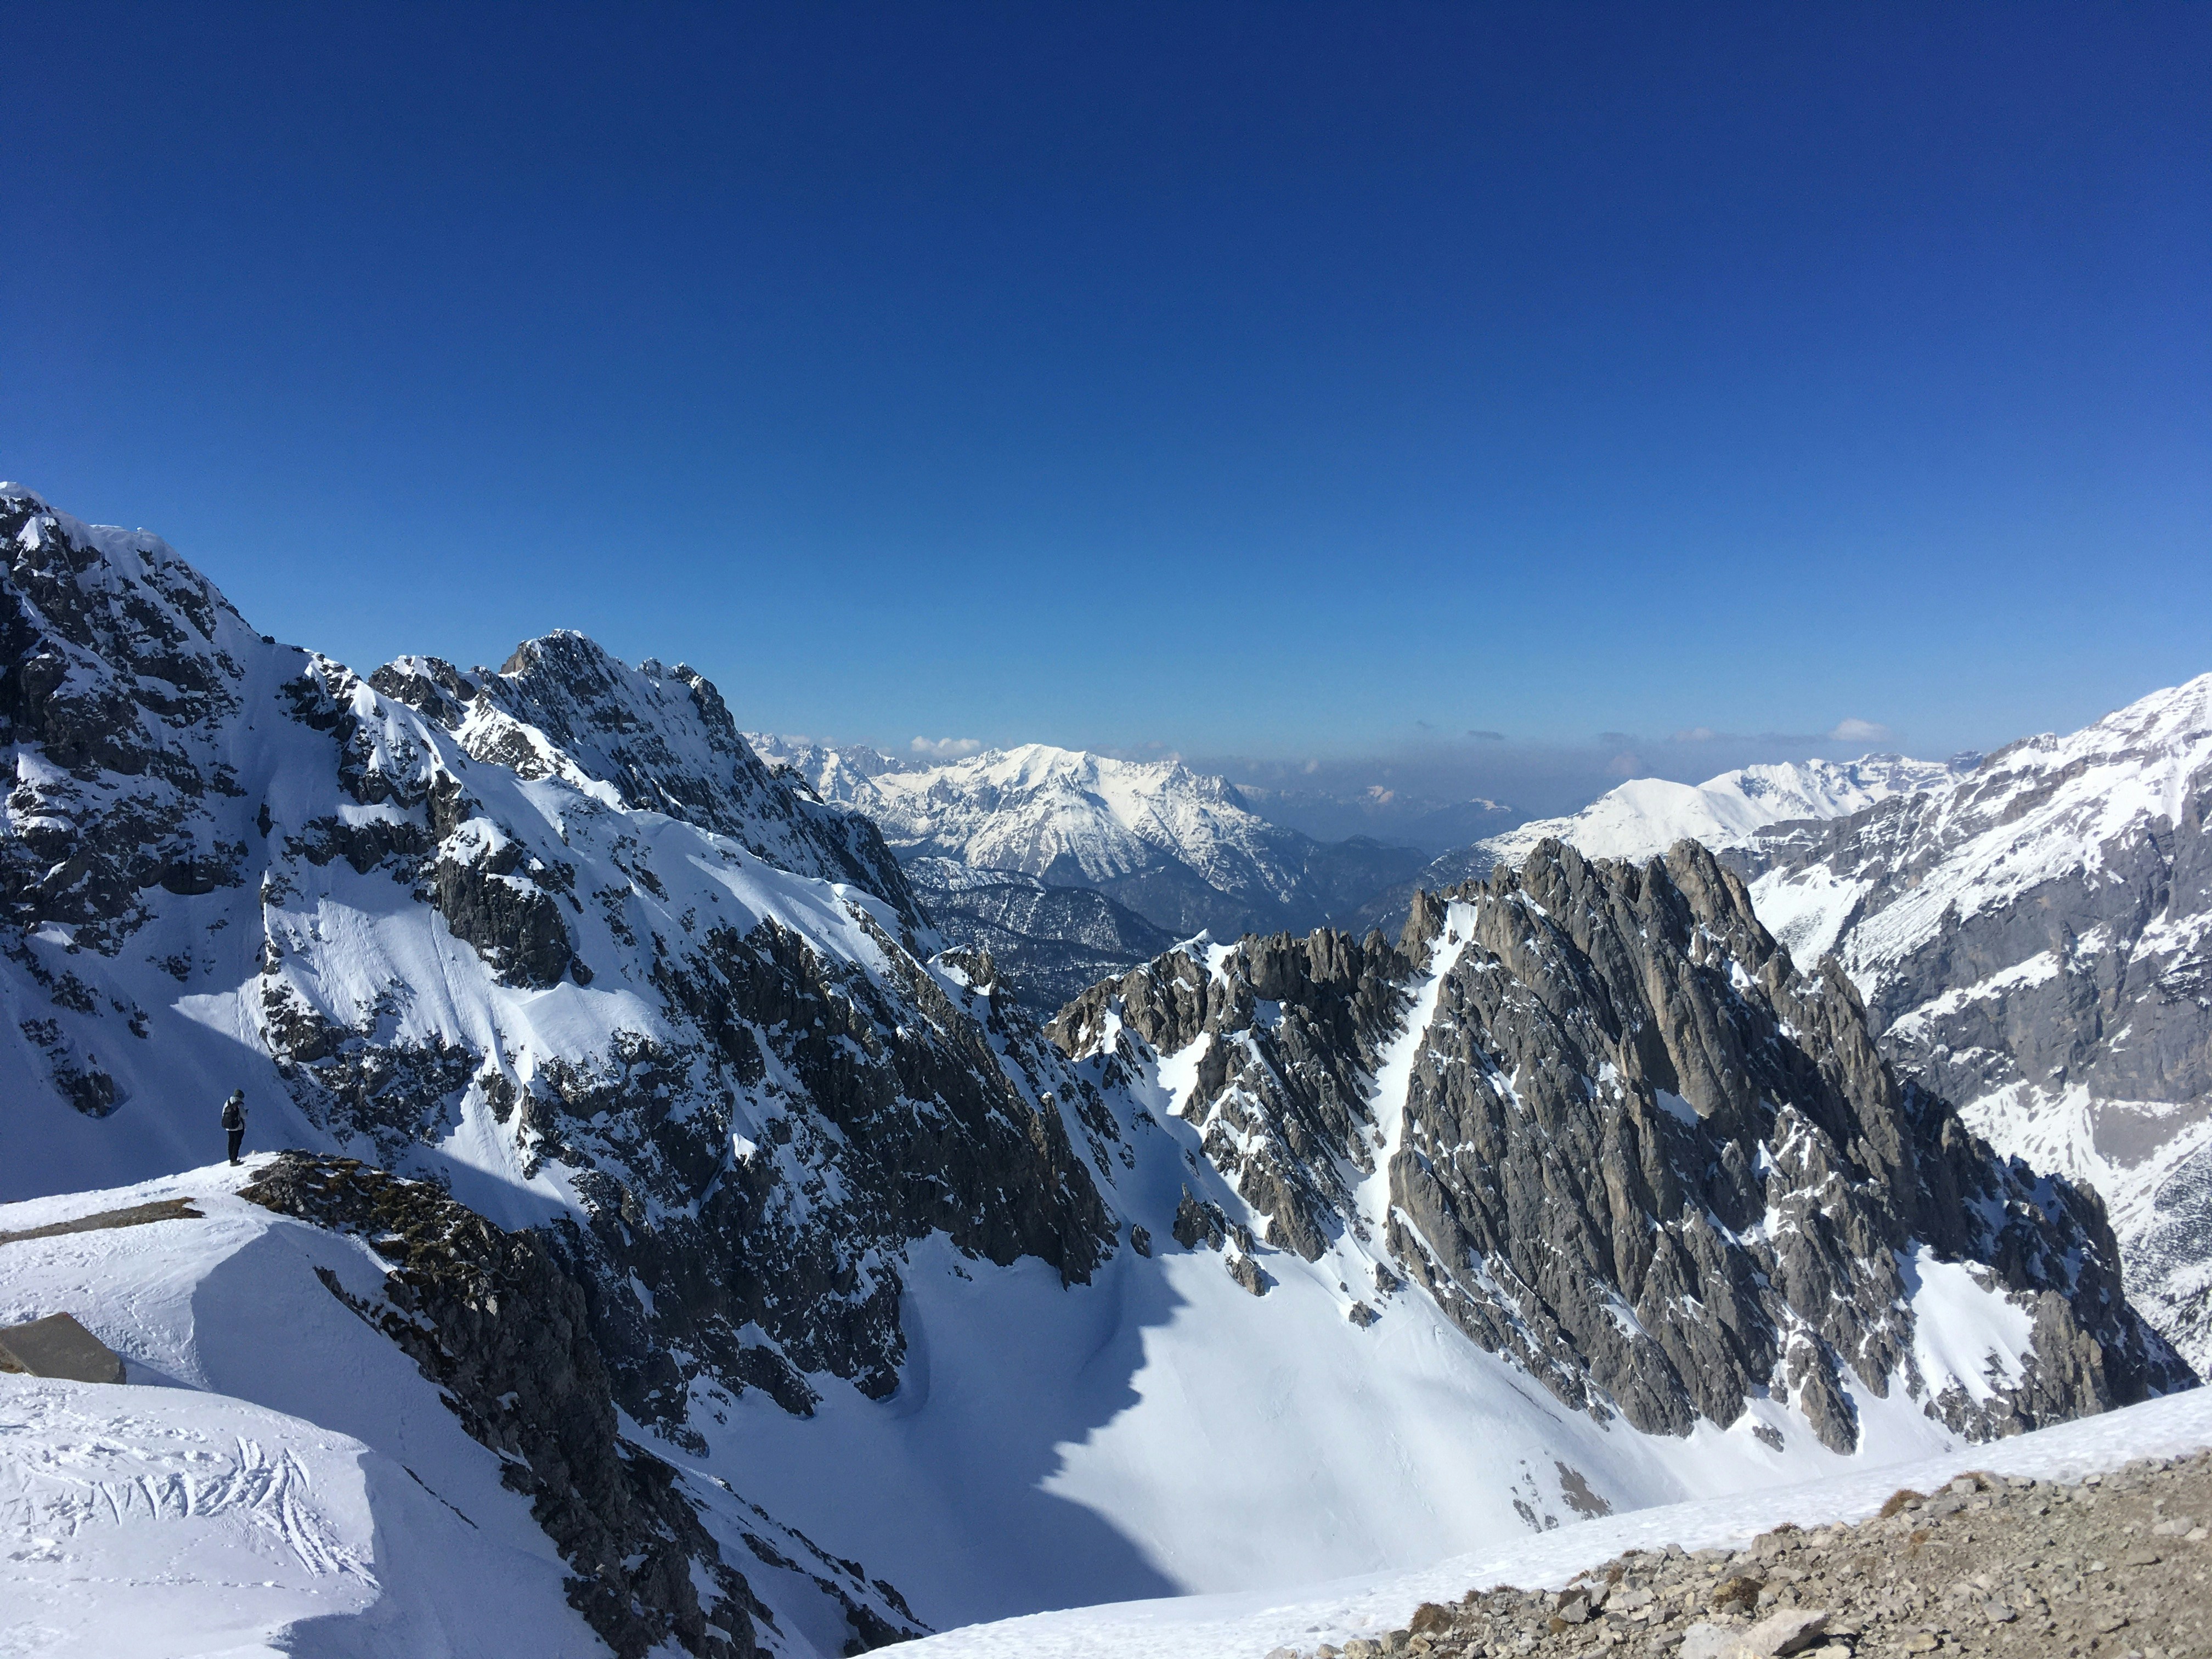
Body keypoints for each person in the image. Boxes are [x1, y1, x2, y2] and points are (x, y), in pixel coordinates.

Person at [221, 1090, 246, 1165]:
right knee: (237, 1143)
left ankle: (231, 1159)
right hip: (238, 1127)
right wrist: (246, 1112)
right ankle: (234, 1160)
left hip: (229, 1126)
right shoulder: (240, 1104)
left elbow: (223, 1113)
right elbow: (244, 1116)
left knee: (231, 1142)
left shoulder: (227, 1102)